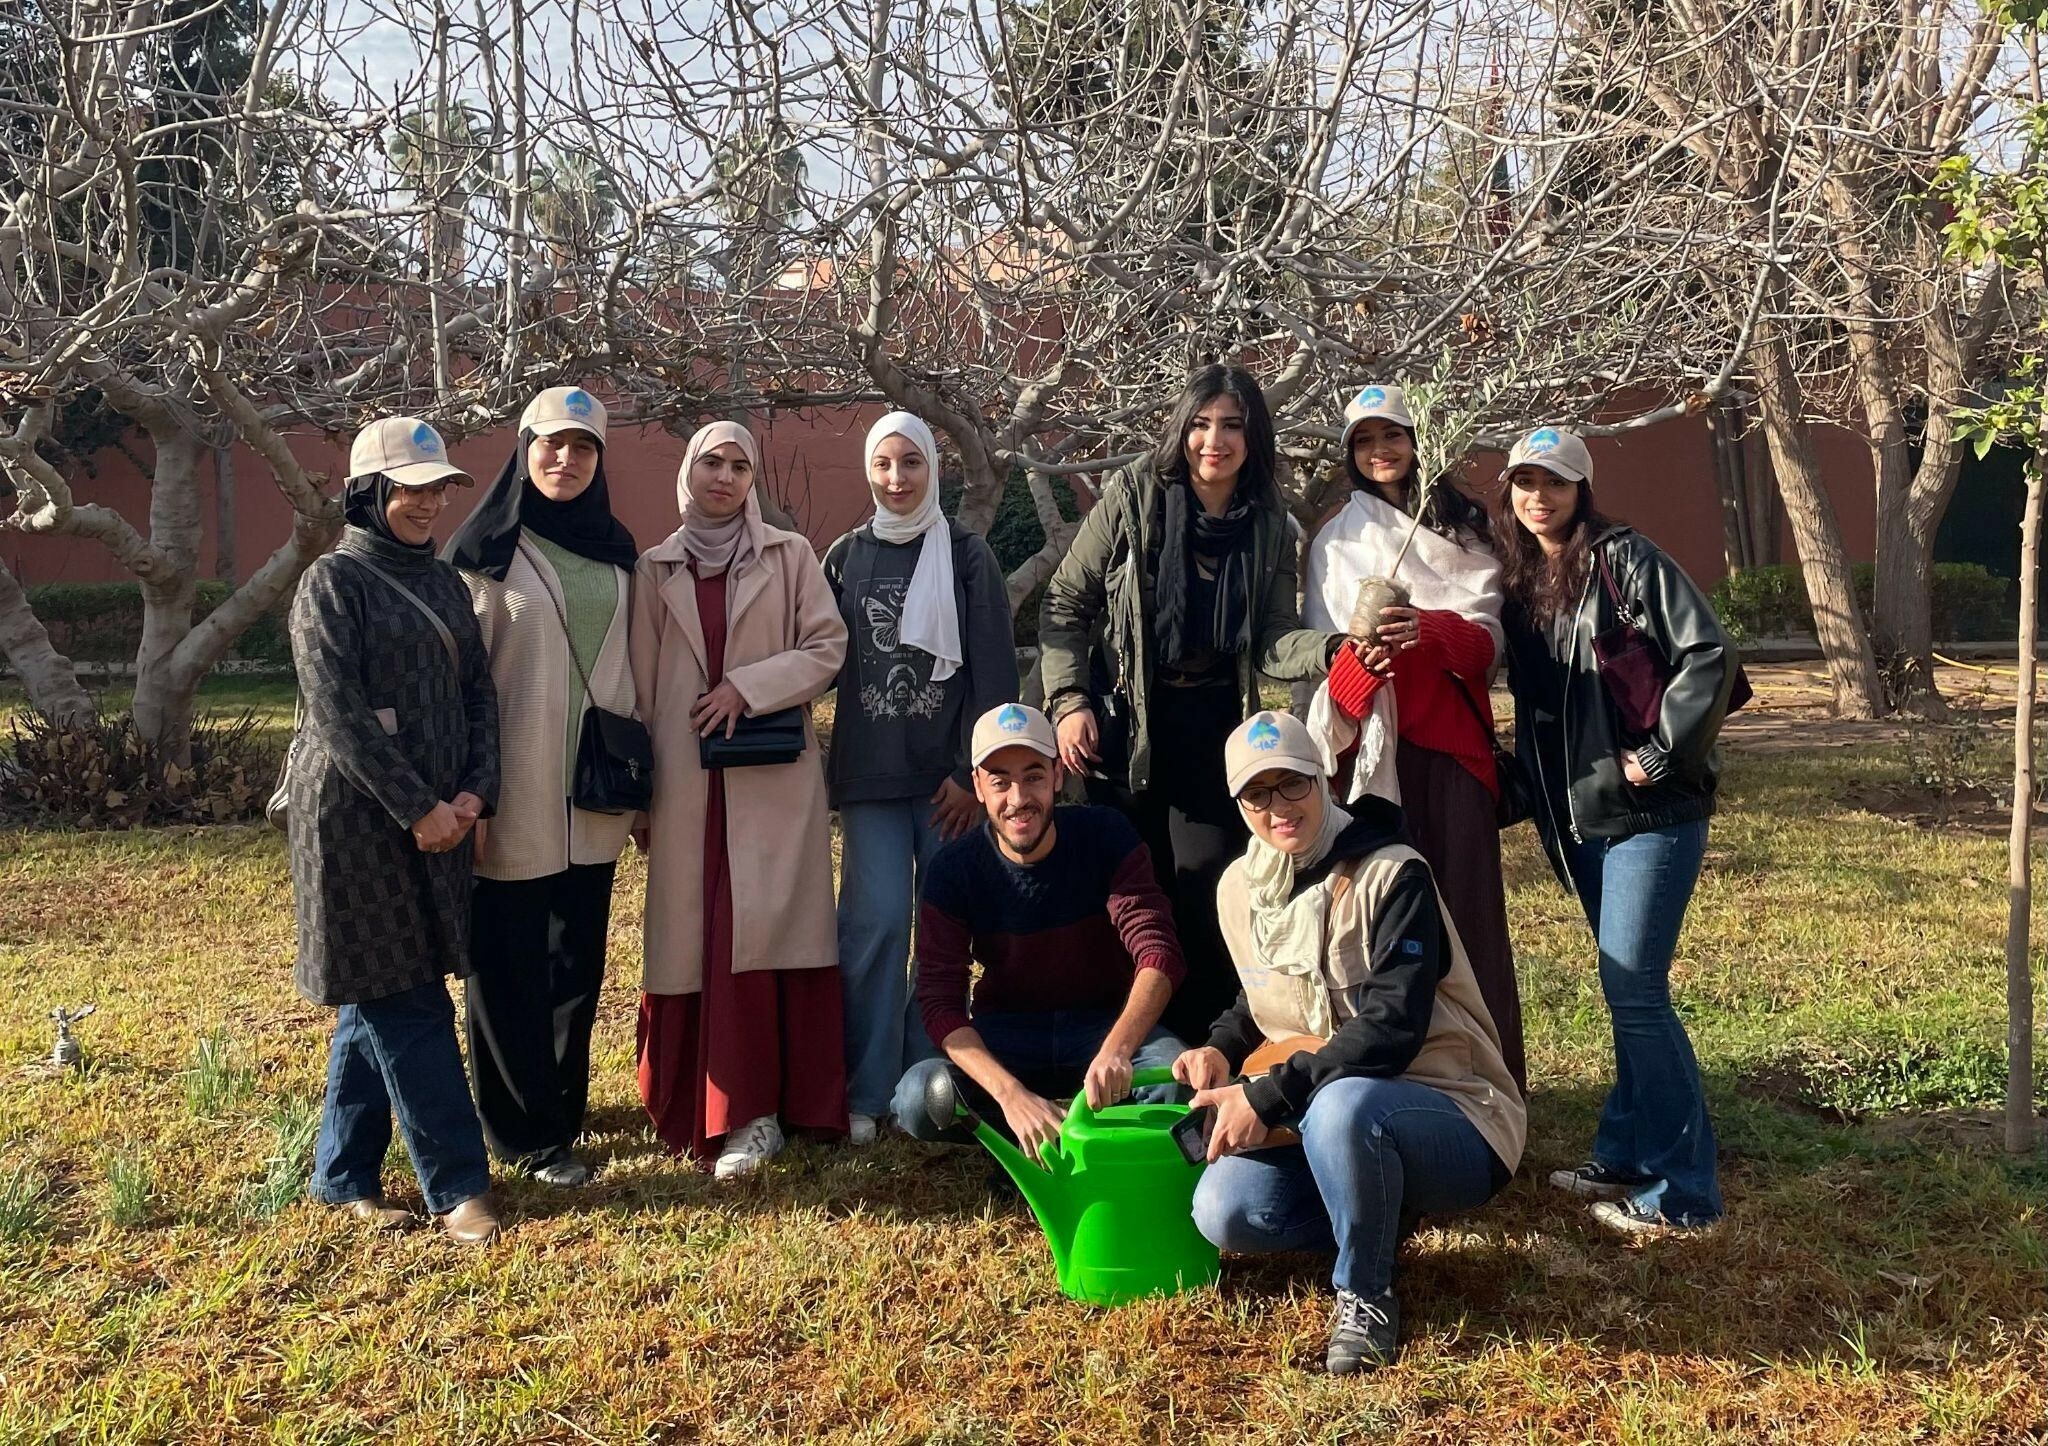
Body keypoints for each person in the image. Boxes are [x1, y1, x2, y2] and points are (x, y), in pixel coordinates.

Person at [1180, 711, 1524, 1373]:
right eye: (1258, 793)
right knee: (1224, 1211)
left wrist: (1269, 1094)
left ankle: (1365, 1296)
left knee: (1344, 1108)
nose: (1278, 808)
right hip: (1324, 1115)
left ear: (1323, 777)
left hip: (1450, 1110)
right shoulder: (1239, 889)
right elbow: (1262, 997)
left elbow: (1391, 1032)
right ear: (1238, 803)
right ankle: (1377, 1213)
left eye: (1293, 785)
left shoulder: (1394, 874)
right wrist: (1221, 1046)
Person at [1039, 365, 1340, 1041]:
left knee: (1207, 887)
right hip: (1124, 722)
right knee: (1125, 888)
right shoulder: (1134, 496)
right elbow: (1065, 604)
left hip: (1212, 724)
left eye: (1232, 425)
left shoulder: (1267, 523)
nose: (1214, 440)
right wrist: (1067, 700)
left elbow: (1269, 638)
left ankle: (1203, 1053)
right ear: (1181, 428)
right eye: (1201, 423)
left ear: (1252, 435)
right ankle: (1122, 1047)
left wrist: (1330, 651)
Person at [1490, 426, 1736, 1235]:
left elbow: (1708, 655)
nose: (1539, 496)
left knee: (1635, 993)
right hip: (1584, 821)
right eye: (1525, 482)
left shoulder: (1625, 560)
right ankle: (1626, 1151)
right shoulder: (1524, 579)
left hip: (1648, 816)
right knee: (1624, 991)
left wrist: (1660, 755)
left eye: (1555, 482)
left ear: (1582, 490)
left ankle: (1684, 1193)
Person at [289, 416, 504, 1245]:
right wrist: (419, 807)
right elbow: (338, 715)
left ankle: (342, 1176)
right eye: (408, 489)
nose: (425, 504)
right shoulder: (331, 584)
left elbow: (479, 696)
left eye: (436, 489)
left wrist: (474, 797)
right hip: (355, 826)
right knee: (408, 998)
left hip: (446, 818)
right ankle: (457, 1186)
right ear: (370, 493)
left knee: (377, 994)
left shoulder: (445, 583)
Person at [630, 419, 851, 1179]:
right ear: (688, 471)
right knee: (696, 938)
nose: (723, 477)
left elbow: (828, 646)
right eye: (710, 462)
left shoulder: (791, 557)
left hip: (769, 784)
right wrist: (638, 794)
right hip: (686, 785)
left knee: (760, 936)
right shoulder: (654, 567)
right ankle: (699, 1105)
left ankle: (758, 1114)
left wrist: (745, 689)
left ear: (753, 480)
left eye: (738, 465)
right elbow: (637, 682)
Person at [1302, 383, 1526, 1092]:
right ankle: (1384, 1076)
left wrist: (1428, 629)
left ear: (1418, 440)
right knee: (1379, 919)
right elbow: (1325, 654)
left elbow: (1487, 644)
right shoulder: (1336, 540)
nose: (1380, 452)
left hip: (1448, 748)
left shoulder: (1465, 532)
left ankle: (1492, 1080)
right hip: (1372, 756)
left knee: (1466, 914)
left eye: (1392, 435)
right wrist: (1358, 665)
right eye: (1364, 441)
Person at [444, 386, 639, 1188]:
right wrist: (471, 792)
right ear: (524, 449)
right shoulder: (485, 549)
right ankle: (520, 1133)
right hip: (512, 792)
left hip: (595, 790)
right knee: (507, 964)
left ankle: (562, 1107)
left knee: (575, 962)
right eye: (550, 443)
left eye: (582, 447)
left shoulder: (617, 547)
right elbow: (459, 685)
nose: (565, 459)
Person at [824, 411, 1020, 1143]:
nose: (897, 479)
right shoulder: (846, 556)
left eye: (912, 464)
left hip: (951, 789)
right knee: (872, 928)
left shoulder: (968, 556)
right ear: (869, 470)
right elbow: (816, 652)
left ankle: (928, 1078)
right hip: (871, 777)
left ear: (935, 469)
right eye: (884, 464)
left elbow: (996, 675)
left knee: (942, 936)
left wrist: (978, 778)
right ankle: (867, 1087)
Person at [892, 703, 1188, 1160]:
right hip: (1007, 1033)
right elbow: (940, 1002)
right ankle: (1032, 1127)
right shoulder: (953, 869)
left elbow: (1159, 954)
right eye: (999, 781)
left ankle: (1081, 1133)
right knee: (917, 1098)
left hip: (1102, 1023)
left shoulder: (1105, 835)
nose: (1017, 798)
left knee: (1172, 1077)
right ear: (977, 787)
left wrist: (1116, 1051)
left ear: (1056, 776)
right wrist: (1009, 1093)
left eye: (1032, 776)